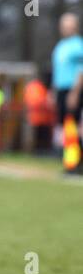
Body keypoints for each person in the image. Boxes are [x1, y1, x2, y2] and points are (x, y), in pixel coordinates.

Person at [50, 12, 83, 174]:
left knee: (73, 125)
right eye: (63, 24)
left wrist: (75, 92)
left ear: (75, 26)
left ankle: (75, 163)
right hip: (62, 90)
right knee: (66, 126)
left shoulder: (78, 46)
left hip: (73, 89)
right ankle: (70, 161)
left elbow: (80, 70)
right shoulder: (61, 46)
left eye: (69, 24)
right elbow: (58, 71)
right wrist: (53, 91)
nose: (65, 27)